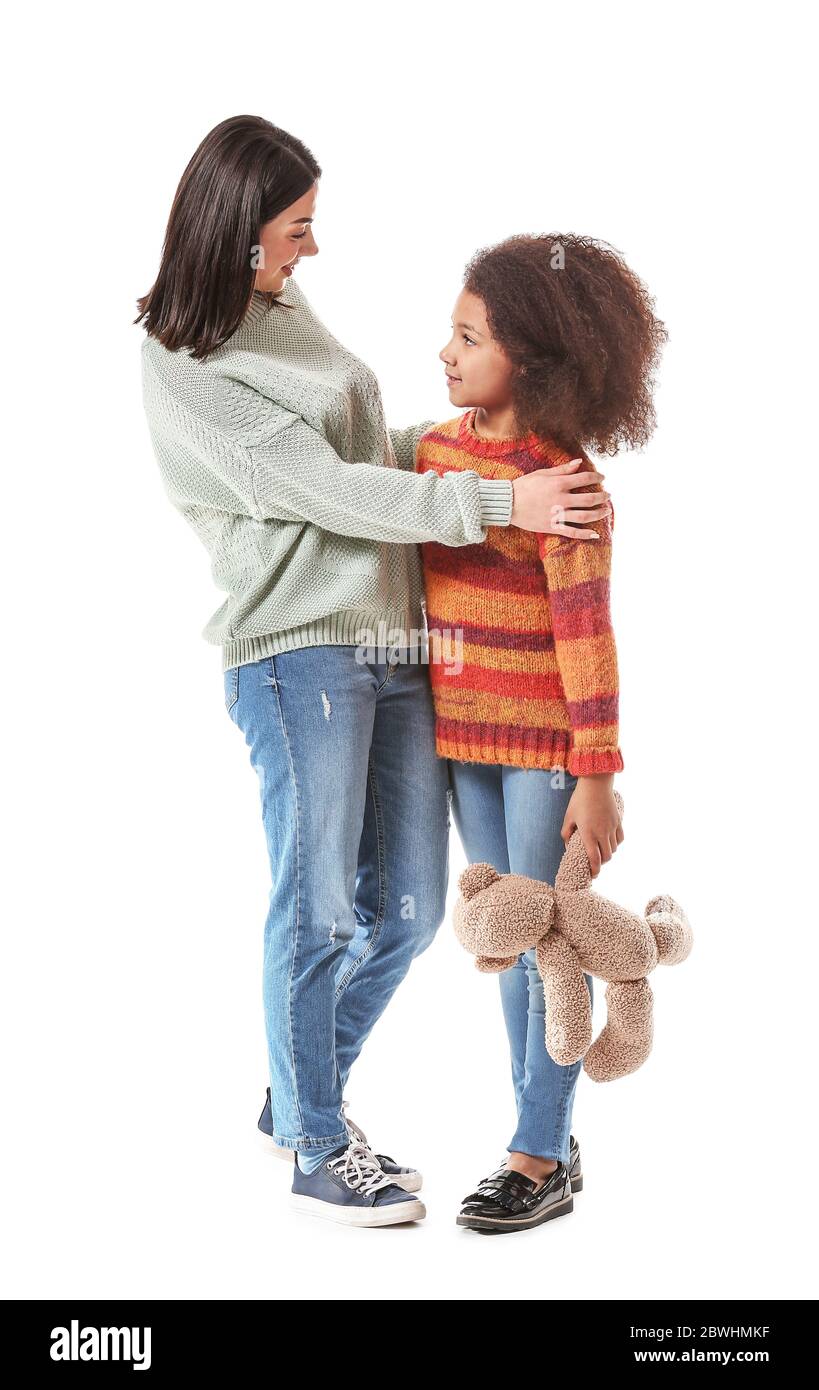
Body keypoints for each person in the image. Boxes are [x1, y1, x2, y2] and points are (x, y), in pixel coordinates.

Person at [137, 118, 613, 1228]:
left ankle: (299, 1097)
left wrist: (489, 449)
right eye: (297, 228)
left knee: (401, 909)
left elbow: (370, 457)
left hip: (398, 652)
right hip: (299, 655)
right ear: (238, 228)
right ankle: (312, 1137)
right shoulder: (184, 364)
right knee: (316, 910)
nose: (311, 248)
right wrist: (499, 499)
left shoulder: (279, 308)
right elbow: (333, 492)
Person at [416, 232, 667, 1232]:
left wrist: (596, 775)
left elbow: (587, 637)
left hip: (545, 754)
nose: (446, 351)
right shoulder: (437, 453)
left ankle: (536, 1150)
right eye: (451, 331)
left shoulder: (566, 482)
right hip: (461, 745)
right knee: (508, 937)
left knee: (544, 935)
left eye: (468, 337)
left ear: (528, 357)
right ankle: (547, 1138)